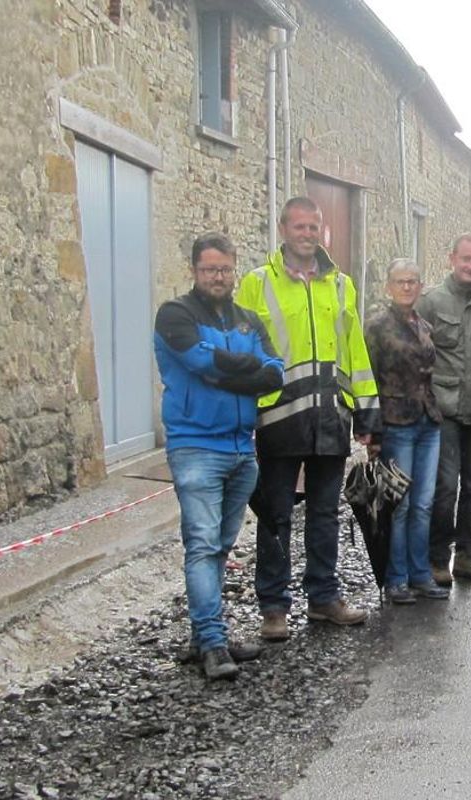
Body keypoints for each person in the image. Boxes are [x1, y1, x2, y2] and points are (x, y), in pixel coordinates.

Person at [235, 197, 381, 640]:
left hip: (330, 420)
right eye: (299, 226)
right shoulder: (256, 284)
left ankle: (324, 599)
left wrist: (366, 411)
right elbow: (241, 353)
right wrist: (242, 414)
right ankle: (274, 608)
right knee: (275, 515)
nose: (307, 233)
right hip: (277, 420)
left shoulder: (340, 285)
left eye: (313, 226)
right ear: (283, 229)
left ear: (322, 231)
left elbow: (355, 350)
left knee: (324, 514)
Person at [154, 232, 283, 680]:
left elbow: (275, 374)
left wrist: (232, 368)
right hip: (196, 447)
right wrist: (246, 368)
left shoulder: (248, 319)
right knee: (204, 545)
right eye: (210, 269)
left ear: (234, 269)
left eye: (225, 269)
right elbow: (199, 362)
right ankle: (211, 641)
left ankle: (203, 636)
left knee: (221, 547)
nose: (218, 276)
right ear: (194, 270)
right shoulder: (175, 315)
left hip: (241, 447)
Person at [415, 234, 471, 586]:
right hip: (443, 410)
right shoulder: (430, 302)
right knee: (445, 486)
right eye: (465, 259)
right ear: (451, 258)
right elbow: (416, 354)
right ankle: (437, 558)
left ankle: (467, 555)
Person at [364, 259, 450, 604]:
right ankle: (395, 578)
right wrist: (370, 430)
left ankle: (420, 574)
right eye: (400, 281)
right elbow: (367, 377)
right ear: (388, 286)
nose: (407, 287)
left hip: (428, 421)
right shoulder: (377, 326)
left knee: (424, 503)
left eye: (413, 281)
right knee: (398, 504)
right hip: (395, 422)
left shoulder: (425, 325)